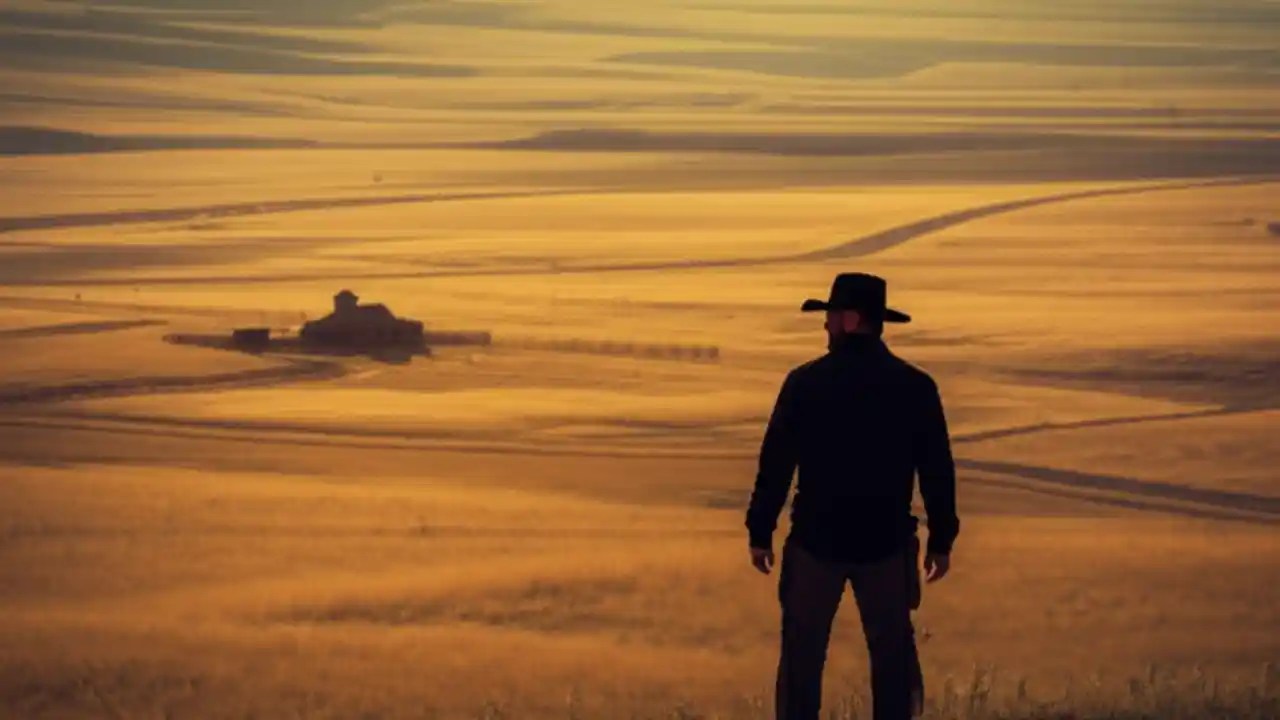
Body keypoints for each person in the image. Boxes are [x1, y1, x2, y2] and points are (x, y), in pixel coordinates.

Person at [745, 272, 960, 720]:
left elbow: (777, 462)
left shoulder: (804, 383)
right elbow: (936, 469)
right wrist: (942, 538)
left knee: (802, 661)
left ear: (849, 319)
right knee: (893, 663)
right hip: (885, 545)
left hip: (815, 545)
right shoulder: (916, 387)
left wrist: (760, 529)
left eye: (829, 317)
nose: (824, 327)